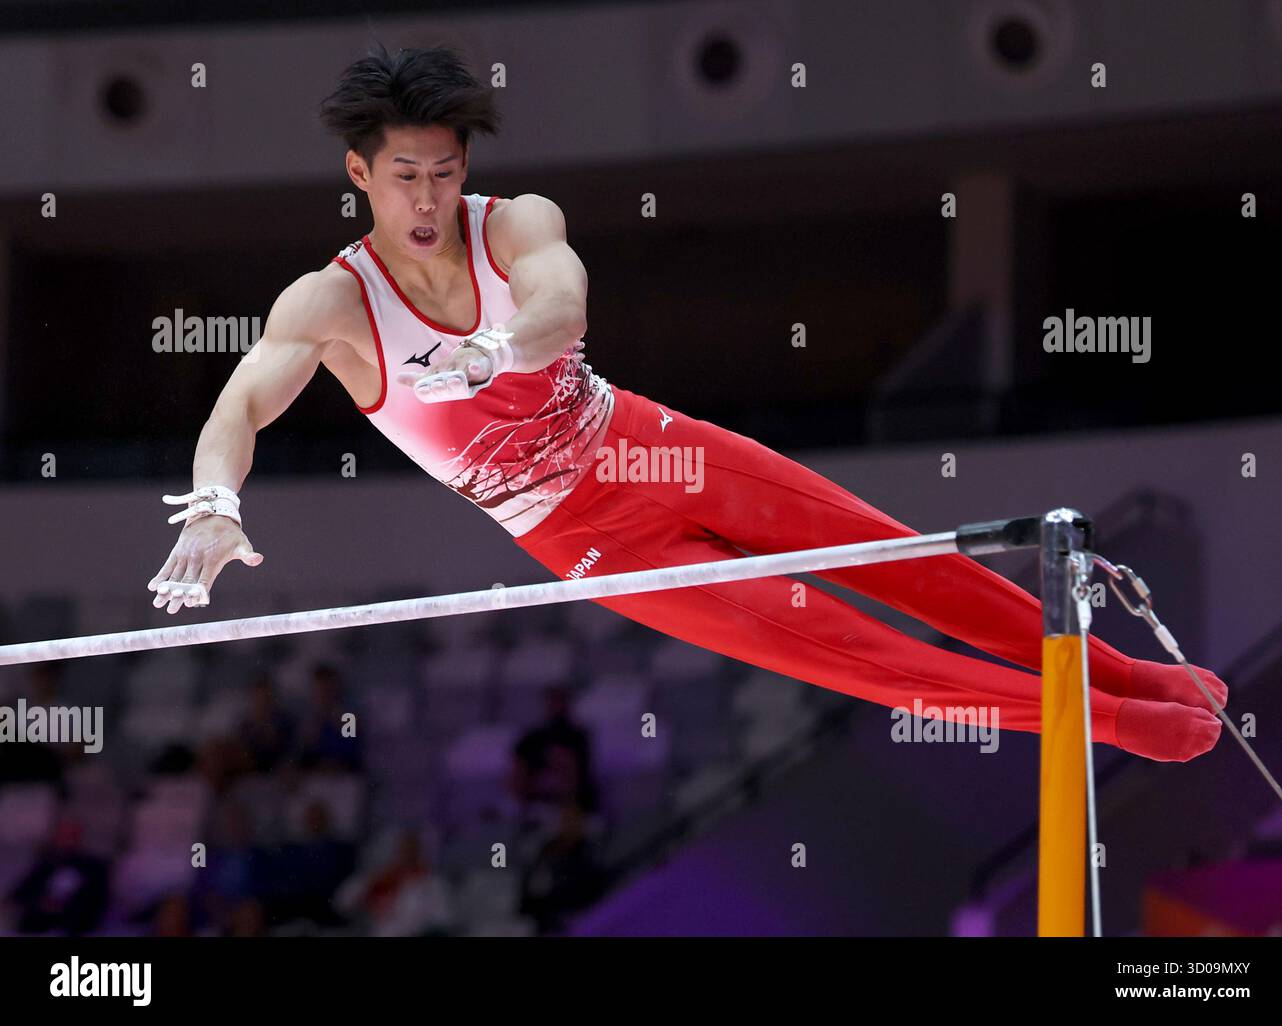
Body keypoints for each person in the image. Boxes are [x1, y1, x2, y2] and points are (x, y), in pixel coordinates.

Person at [146, 44, 1226, 764]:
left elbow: (561, 309)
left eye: (442, 172)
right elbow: (239, 408)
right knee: (865, 657)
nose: (426, 200)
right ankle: (1115, 722)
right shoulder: (331, 301)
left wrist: (493, 354)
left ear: (464, 165)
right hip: (588, 540)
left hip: (655, 445)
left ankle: (1135, 672)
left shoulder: (513, 221)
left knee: (911, 562)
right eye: (401, 178)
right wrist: (211, 501)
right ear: (358, 174)